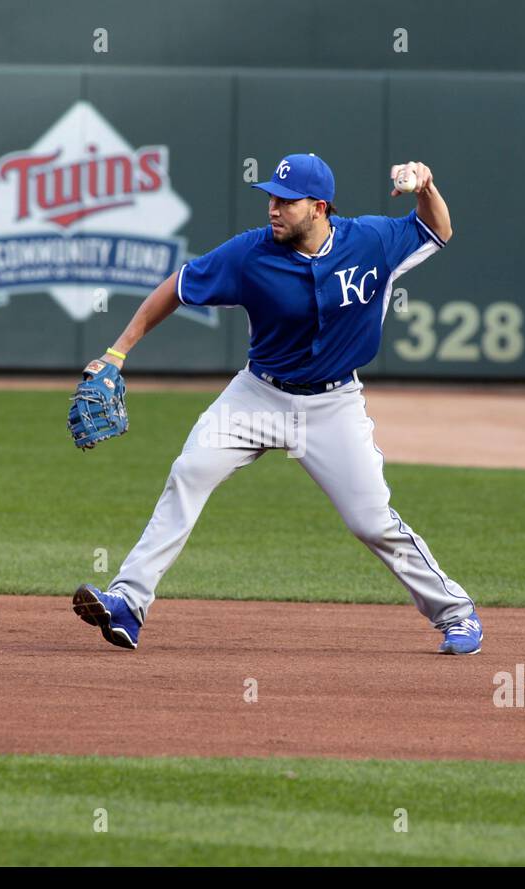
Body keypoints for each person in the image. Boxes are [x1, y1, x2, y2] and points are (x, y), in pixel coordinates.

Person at [71, 153, 482, 655]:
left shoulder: (370, 240)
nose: (274, 208)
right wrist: (117, 353)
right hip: (257, 395)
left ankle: (456, 613)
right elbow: (175, 288)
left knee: (371, 520)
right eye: (272, 197)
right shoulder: (249, 254)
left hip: (334, 405)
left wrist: (426, 185)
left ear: (320, 207)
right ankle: (127, 602)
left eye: (287, 201)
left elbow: (436, 229)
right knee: (189, 472)